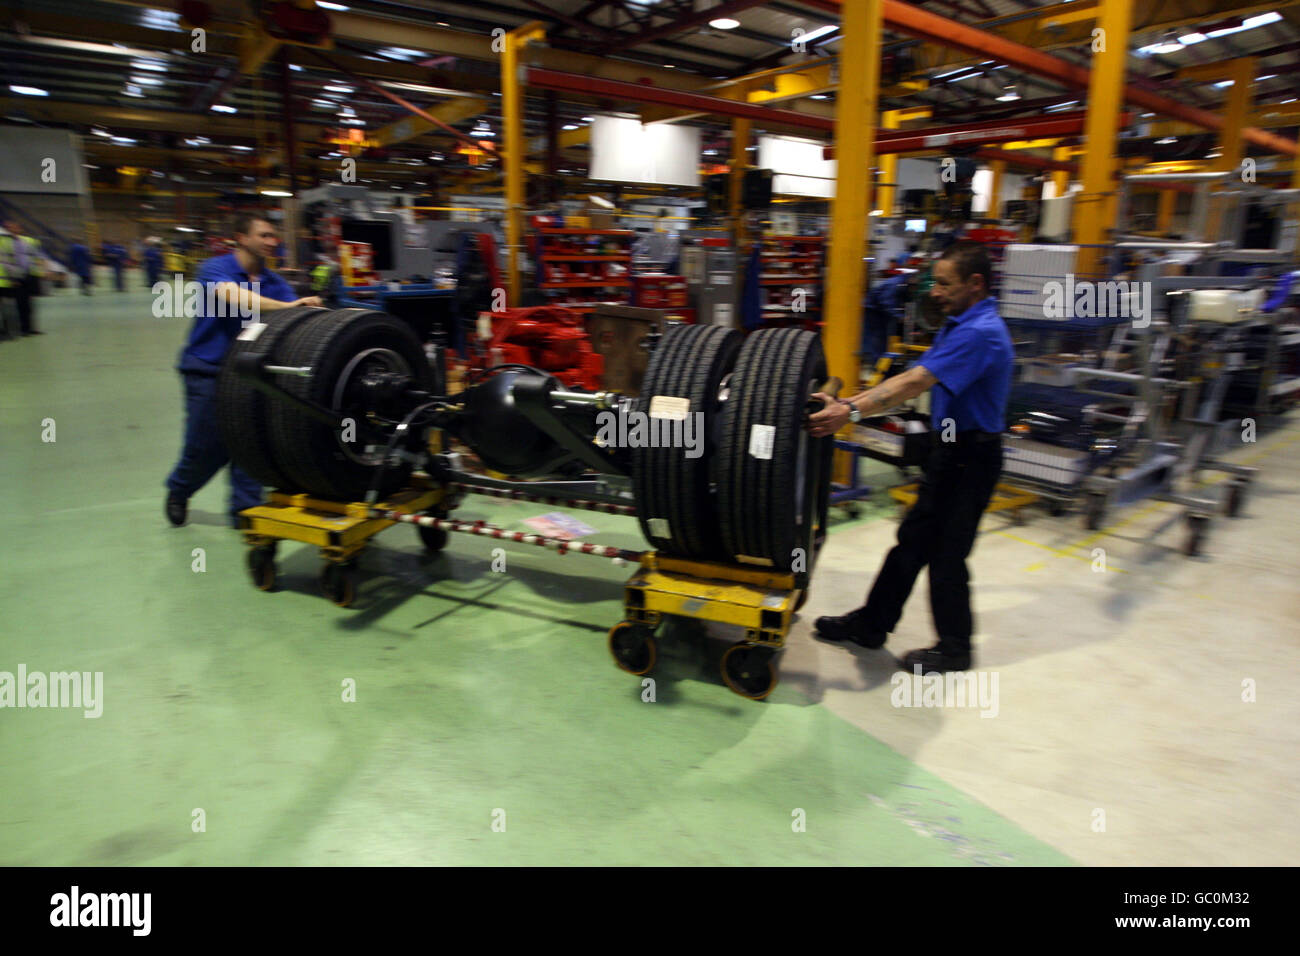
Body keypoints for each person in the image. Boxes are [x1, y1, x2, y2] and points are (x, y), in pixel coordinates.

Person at [807, 240, 1014, 674]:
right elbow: (914, 376)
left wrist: (849, 409)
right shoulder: (959, 322)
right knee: (910, 545)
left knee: (947, 556)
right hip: (951, 451)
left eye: (944, 283)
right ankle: (871, 625)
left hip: (973, 458)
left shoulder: (980, 332)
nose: (934, 291)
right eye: (933, 282)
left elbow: (916, 382)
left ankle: (956, 648)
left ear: (975, 284)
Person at [163, 212, 323, 529]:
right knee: (206, 444)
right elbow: (232, 297)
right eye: (263, 235)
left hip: (248, 372)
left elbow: (294, 320)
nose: (271, 241)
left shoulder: (274, 283)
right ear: (241, 237)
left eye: (272, 236)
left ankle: (245, 509)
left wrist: (310, 313)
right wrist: (289, 307)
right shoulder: (215, 268)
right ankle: (180, 489)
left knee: (249, 443)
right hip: (207, 369)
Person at [2, 220, 44, 335]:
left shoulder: (27, 241)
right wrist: (13, 277)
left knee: (30, 305)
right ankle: (23, 329)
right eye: (10, 228)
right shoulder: (4, 243)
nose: (13, 229)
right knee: (20, 304)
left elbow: (37, 256)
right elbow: (5, 262)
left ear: (20, 229)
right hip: (16, 277)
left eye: (15, 227)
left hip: (30, 275)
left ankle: (31, 328)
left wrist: (41, 271)